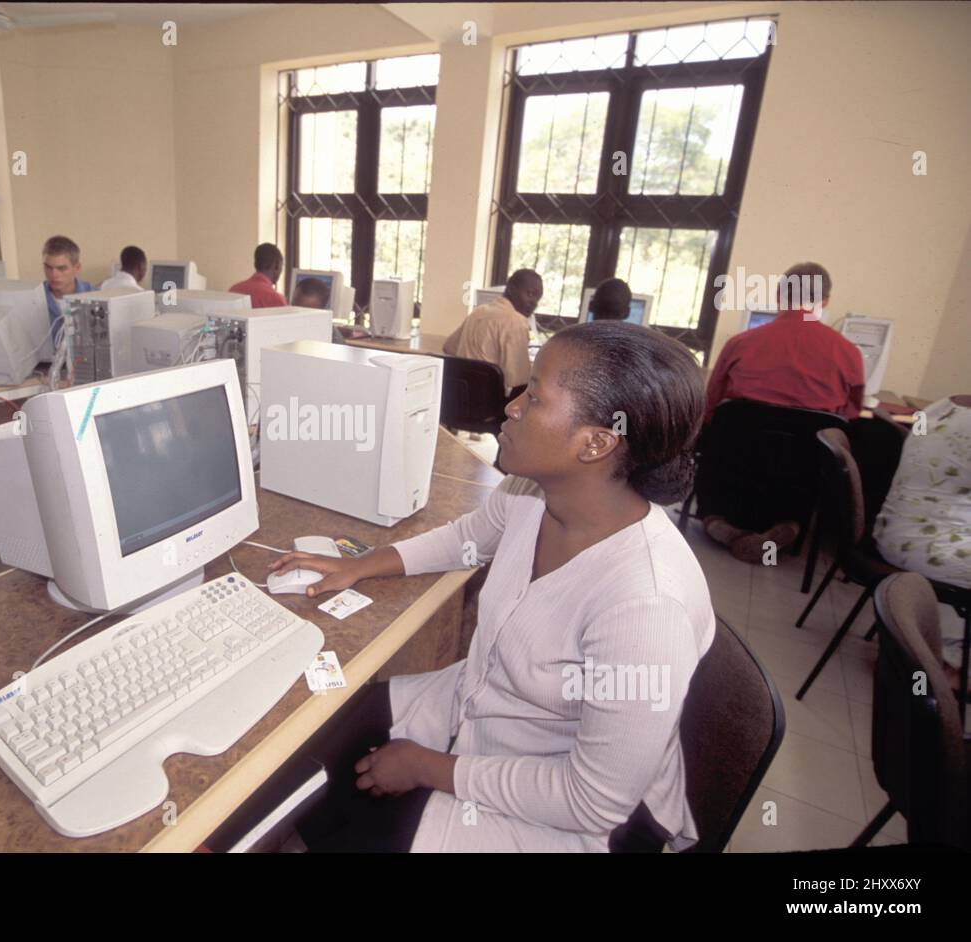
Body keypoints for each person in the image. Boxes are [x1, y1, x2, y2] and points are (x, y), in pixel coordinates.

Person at [271, 321, 713, 852]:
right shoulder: (534, 491)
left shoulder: (646, 605)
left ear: (596, 443)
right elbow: (470, 537)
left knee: (367, 826)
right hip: (488, 710)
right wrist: (362, 564)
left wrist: (426, 767)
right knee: (323, 736)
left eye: (535, 394)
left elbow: (593, 799)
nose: (511, 406)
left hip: (574, 807)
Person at [700, 262, 865, 561]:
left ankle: (719, 524)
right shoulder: (849, 353)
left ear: (779, 295)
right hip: (801, 476)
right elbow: (848, 420)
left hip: (734, 467)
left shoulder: (739, 344)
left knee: (717, 438)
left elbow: (712, 409)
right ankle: (789, 526)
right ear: (825, 301)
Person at [873, 394, 971, 683]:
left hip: (895, 531)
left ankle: (923, 648)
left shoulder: (945, 405)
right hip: (927, 546)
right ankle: (944, 665)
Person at [443, 269, 542, 397]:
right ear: (511, 289)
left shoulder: (479, 311)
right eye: (530, 294)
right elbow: (519, 381)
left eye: (537, 298)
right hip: (490, 403)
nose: (534, 302)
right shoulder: (515, 321)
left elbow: (449, 347)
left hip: (460, 400)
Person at [42, 235, 92, 332]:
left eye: (61, 269)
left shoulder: (95, 296)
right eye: (48, 267)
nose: (53, 274)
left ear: (77, 268)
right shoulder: (34, 299)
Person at [228, 243, 288, 309]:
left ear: (255, 264)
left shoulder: (234, 290)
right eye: (282, 266)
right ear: (276, 265)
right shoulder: (276, 299)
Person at [291, 276, 345, 344]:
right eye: (295, 308)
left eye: (307, 314)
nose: (298, 317)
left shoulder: (334, 342)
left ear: (322, 312)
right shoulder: (287, 328)